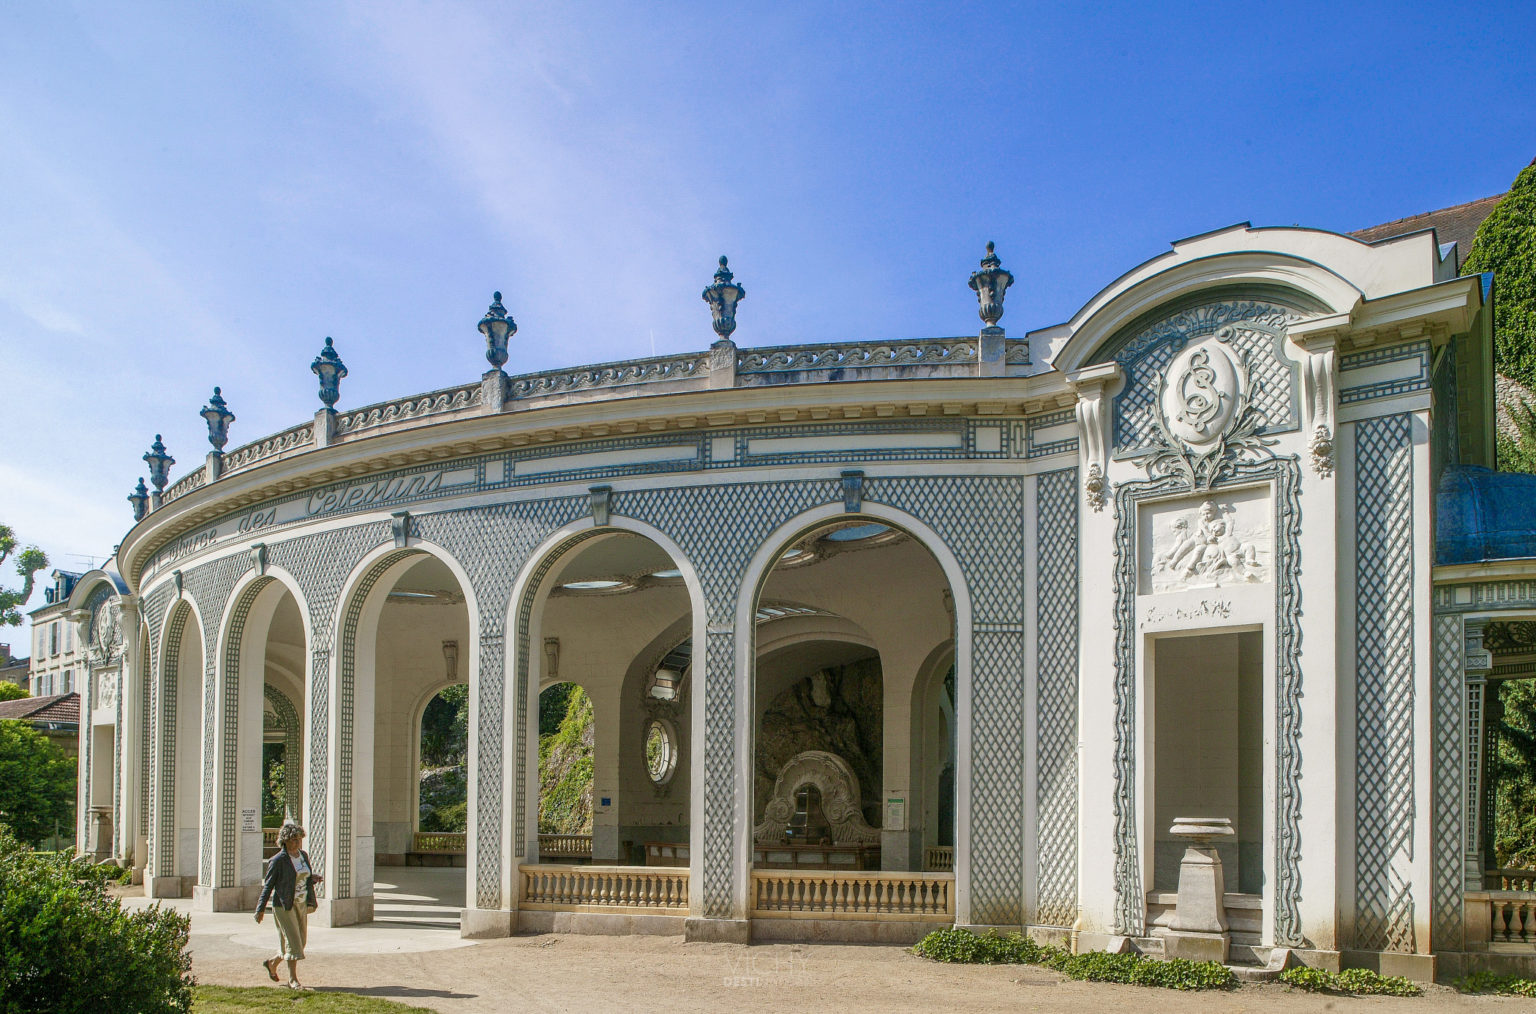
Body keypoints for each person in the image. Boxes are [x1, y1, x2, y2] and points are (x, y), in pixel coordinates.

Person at [254, 821, 322, 989]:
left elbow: (301, 876)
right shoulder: (277, 860)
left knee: (300, 941)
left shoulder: (303, 855)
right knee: (293, 941)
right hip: (284, 905)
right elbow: (268, 886)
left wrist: (311, 878)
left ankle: (272, 963)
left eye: (299, 839)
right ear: (285, 840)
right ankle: (293, 979)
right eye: (294, 839)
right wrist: (260, 909)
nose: (297, 843)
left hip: (301, 903)